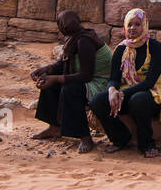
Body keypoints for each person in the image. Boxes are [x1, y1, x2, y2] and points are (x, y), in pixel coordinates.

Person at [89, 8, 161, 158]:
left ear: (144, 25)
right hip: (126, 92)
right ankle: (120, 139)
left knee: (138, 100)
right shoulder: (121, 49)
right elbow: (114, 78)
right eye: (129, 24)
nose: (133, 28)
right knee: (97, 101)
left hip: (152, 93)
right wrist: (112, 90)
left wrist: (122, 93)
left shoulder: (156, 48)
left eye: (137, 24)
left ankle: (146, 144)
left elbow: (149, 82)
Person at [31, 11, 113, 154]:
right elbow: (64, 62)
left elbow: (86, 75)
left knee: (70, 90)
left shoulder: (84, 41)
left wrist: (56, 78)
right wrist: (47, 70)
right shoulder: (74, 38)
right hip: (89, 78)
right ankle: (54, 127)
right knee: (48, 81)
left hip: (101, 82)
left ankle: (85, 137)